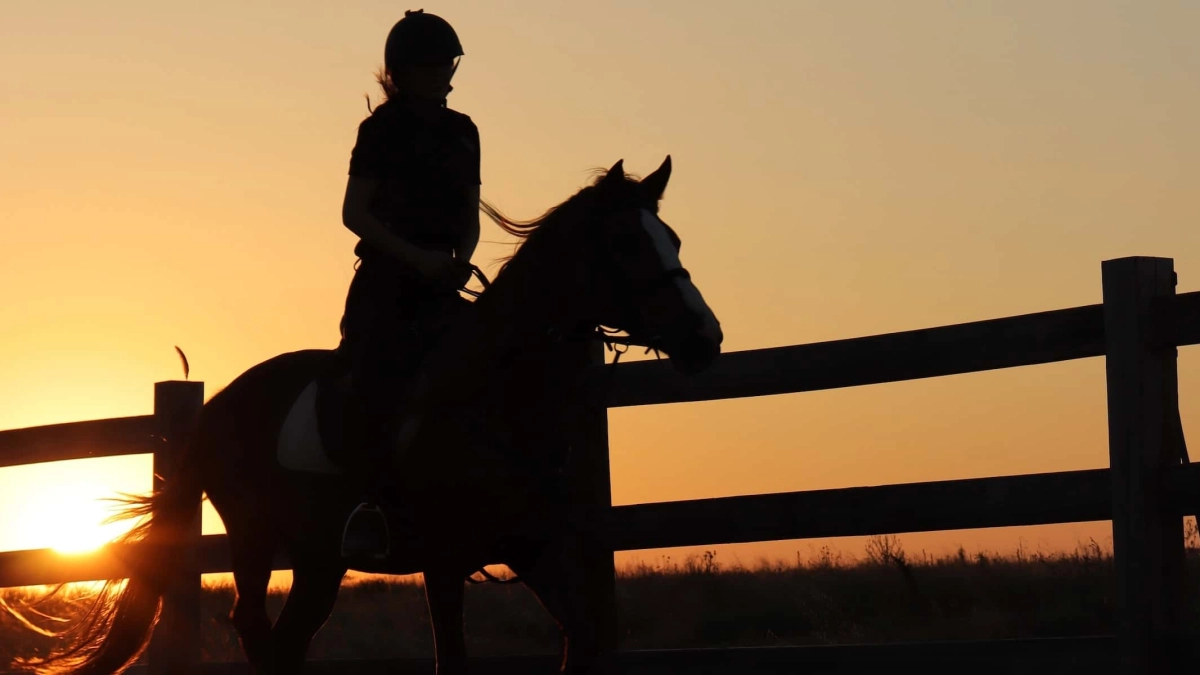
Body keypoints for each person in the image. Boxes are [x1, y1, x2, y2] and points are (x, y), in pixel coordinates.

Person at [335, 9, 481, 559]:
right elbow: (355, 213)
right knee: (376, 378)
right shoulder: (379, 132)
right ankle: (370, 505)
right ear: (405, 71)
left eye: (448, 62)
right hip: (387, 283)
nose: (445, 72)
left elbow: (470, 214)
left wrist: (458, 260)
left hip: (443, 282)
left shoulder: (464, 132)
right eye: (433, 64)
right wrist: (417, 259)